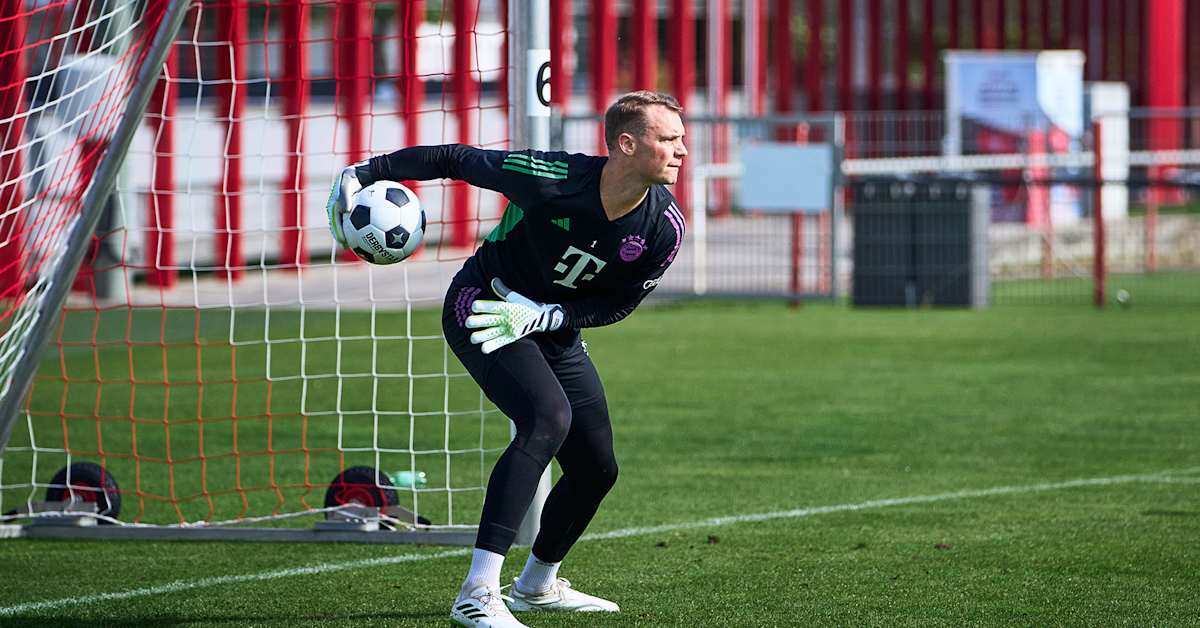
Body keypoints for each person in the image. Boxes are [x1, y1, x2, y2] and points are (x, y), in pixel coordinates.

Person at [326, 90, 688, 628]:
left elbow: (619, 302)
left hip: (546, 325)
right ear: (627, 144)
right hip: (482, 305)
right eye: (669, 139)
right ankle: (477, 592)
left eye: (682, 138)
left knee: (595, 468)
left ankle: (536, 586)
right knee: (547, 419)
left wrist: (550, 316)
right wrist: (369, 170)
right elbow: (457, 158)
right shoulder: (552, 176)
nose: (682, 150)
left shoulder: (664, 227)